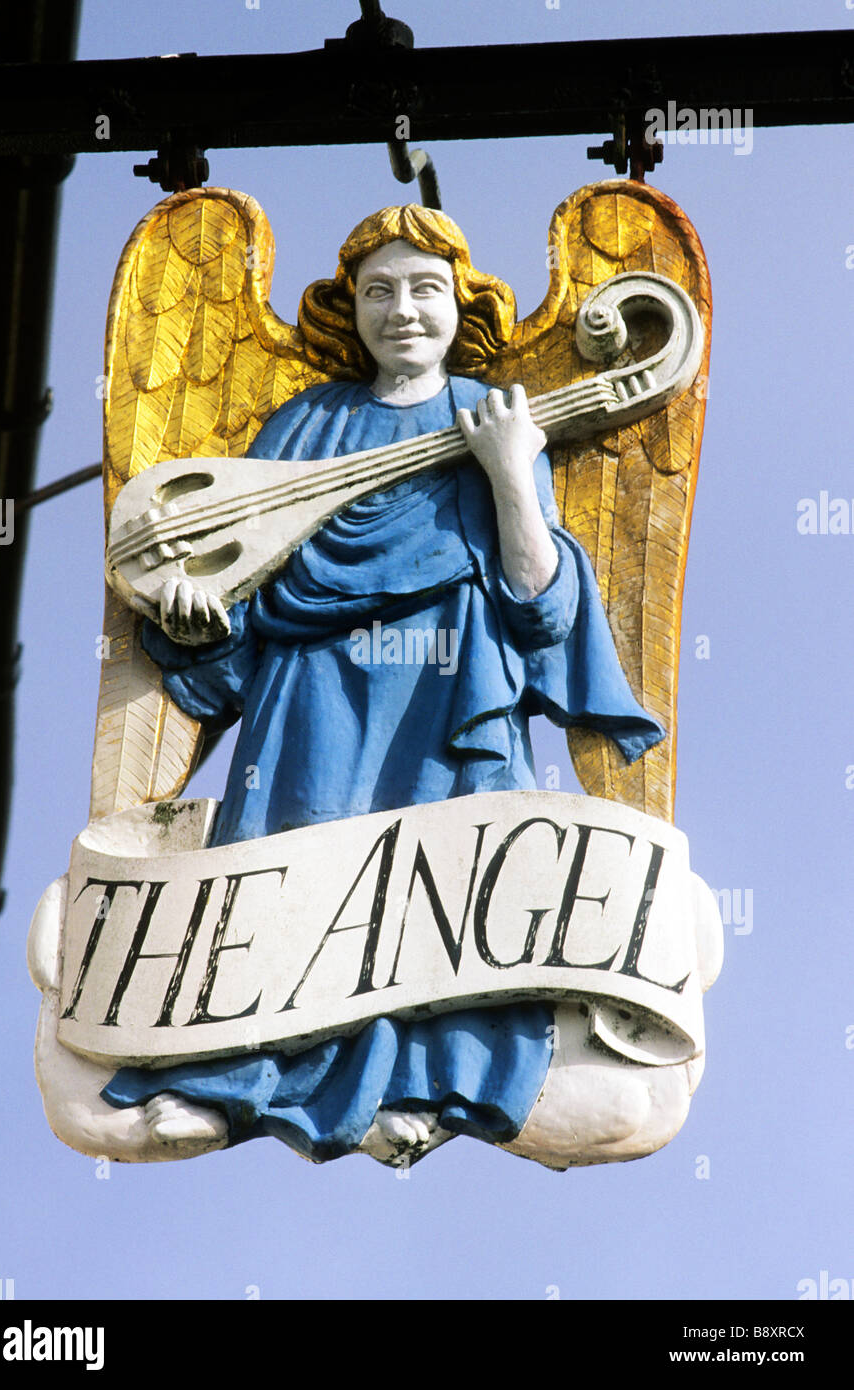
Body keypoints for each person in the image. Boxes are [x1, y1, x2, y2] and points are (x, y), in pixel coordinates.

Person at [101, 205, 665, 1165]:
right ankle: (231, 1081)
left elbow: (541, 602)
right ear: (350, 310)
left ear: (460, 305)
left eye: (425, 290)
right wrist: (200, 613)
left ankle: (424, 1088)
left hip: (449, 686)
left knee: (438, 892)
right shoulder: (306, 423)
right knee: (290, 871)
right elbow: (237, 569)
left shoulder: (492, 417)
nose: (402, 310)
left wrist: (511, 473)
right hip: (312, 685)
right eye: (379, 291)